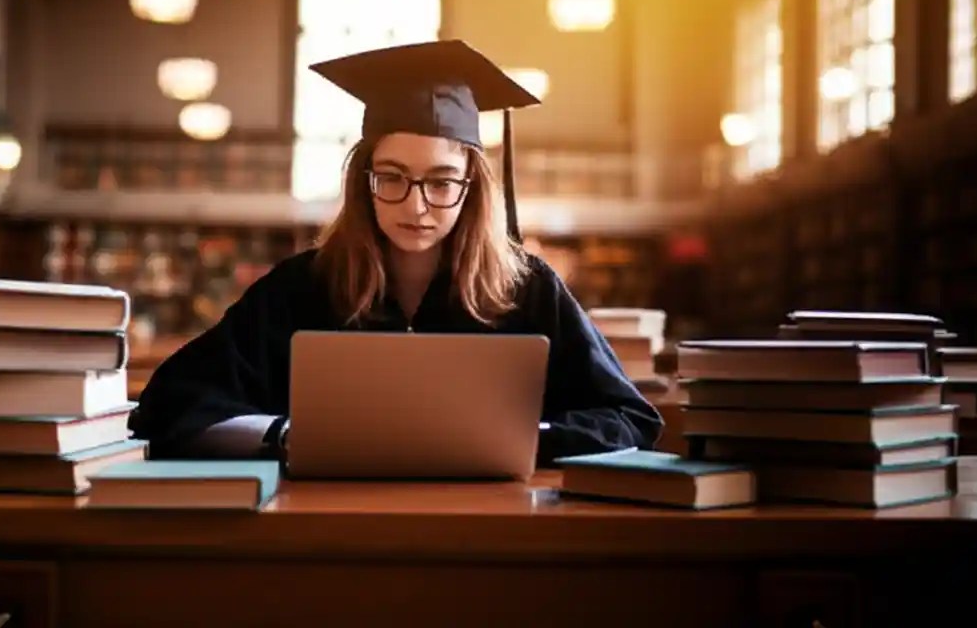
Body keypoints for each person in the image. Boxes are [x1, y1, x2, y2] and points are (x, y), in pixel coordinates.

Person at [129, 39, 663, 463]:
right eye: (393, 178)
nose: (417, 206)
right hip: (325, 527)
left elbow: (629, 417)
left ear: (472, 188)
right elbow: (170, 404)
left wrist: (525, 438)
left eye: (441, 182)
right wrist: (289, 436)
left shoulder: (528, 288)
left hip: (492, 526)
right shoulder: (301, 287)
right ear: (363, 180)